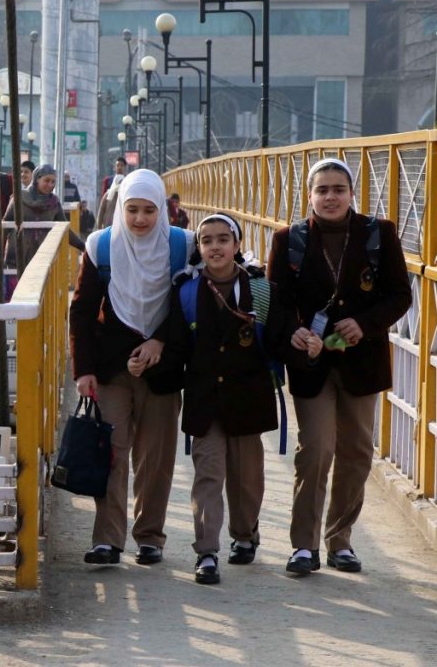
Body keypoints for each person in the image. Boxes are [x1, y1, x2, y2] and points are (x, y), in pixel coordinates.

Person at [267, 159, 411, 577]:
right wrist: (295, 332)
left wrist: (364, 324)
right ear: (309, 195)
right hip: (312, 363)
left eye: (338, 189)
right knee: (315, 449)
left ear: (351, 193)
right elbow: (276, 302)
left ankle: (340, 540)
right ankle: (303, 546)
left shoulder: (379, 234)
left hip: (361, 362)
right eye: (322, 189)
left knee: (357, 453)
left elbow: (400, 295)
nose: (330, 197)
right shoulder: (288, 240)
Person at [163, 214, 320, 585]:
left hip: (249, 398)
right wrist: (154, 362)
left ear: (237, 245)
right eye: (206, 241)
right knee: (208, 473)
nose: (215, 247)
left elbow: (280, 338)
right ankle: (206, 552)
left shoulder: (262, 291)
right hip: (205, 400)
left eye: (223, 239)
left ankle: (245, 534)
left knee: (246, 477)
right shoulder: (186, 291)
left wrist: (304, 348)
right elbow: (175, 345)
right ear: (199, 248)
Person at [69, 169, 194, 567]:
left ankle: (150, 537)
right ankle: (107, 540)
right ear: (120, 208)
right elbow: (82, 310)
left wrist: (161, 342)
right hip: (111, 367)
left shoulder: (184, 246)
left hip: (163, 368)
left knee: (156, 458)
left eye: (149, 211)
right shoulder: (100, 246)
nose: (140, 219)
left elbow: (190, 305)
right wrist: (83, 370)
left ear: (163, 210)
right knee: (110, 452)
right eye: (132, 210)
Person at [4, 164, 85, 275]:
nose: (50, 185)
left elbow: (65, 230)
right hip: (17, 259)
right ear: (37, 178)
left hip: (42, 260)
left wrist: (83, 247)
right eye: (47, 180)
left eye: (53, 182)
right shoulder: (19, 198)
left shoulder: (53, 203)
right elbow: (5, 227)